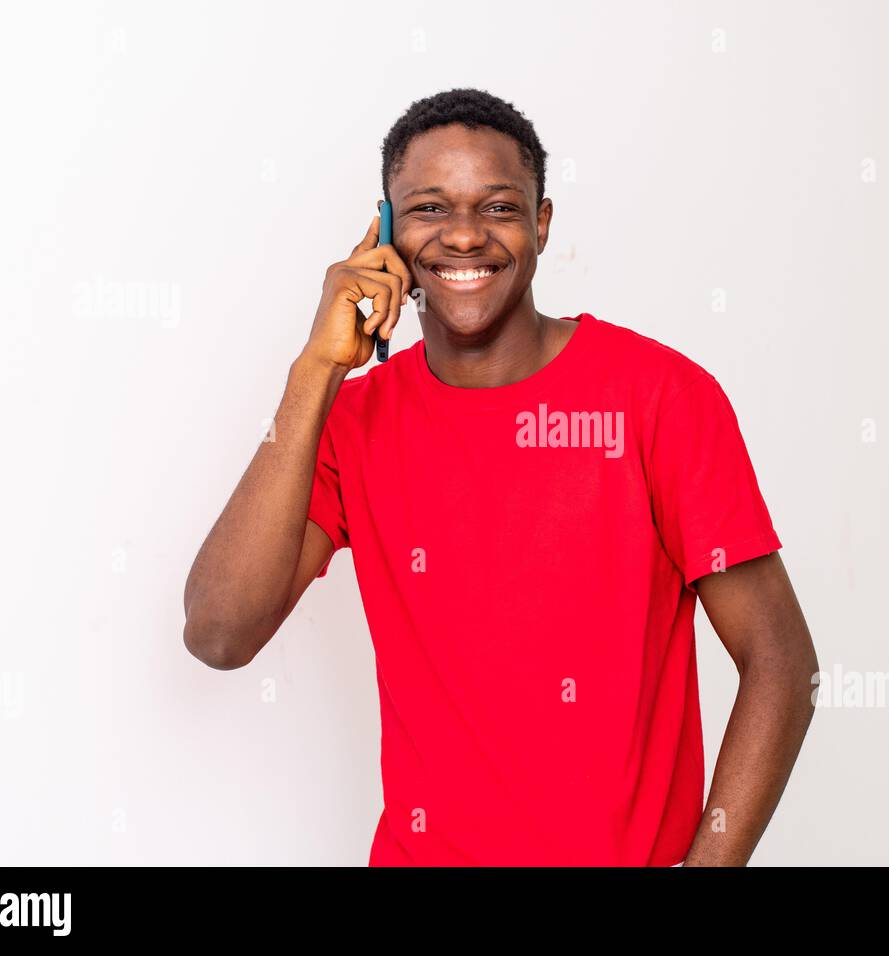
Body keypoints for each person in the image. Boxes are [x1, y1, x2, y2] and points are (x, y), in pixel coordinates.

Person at [182, 88, 818, 866]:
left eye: (498, 207)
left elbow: (781, 661)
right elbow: (219, 633)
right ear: (383, 230)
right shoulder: (350, 421)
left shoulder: (661, 398)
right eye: (427, 209)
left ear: (542, 225)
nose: (463, 236)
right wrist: (316, 368)